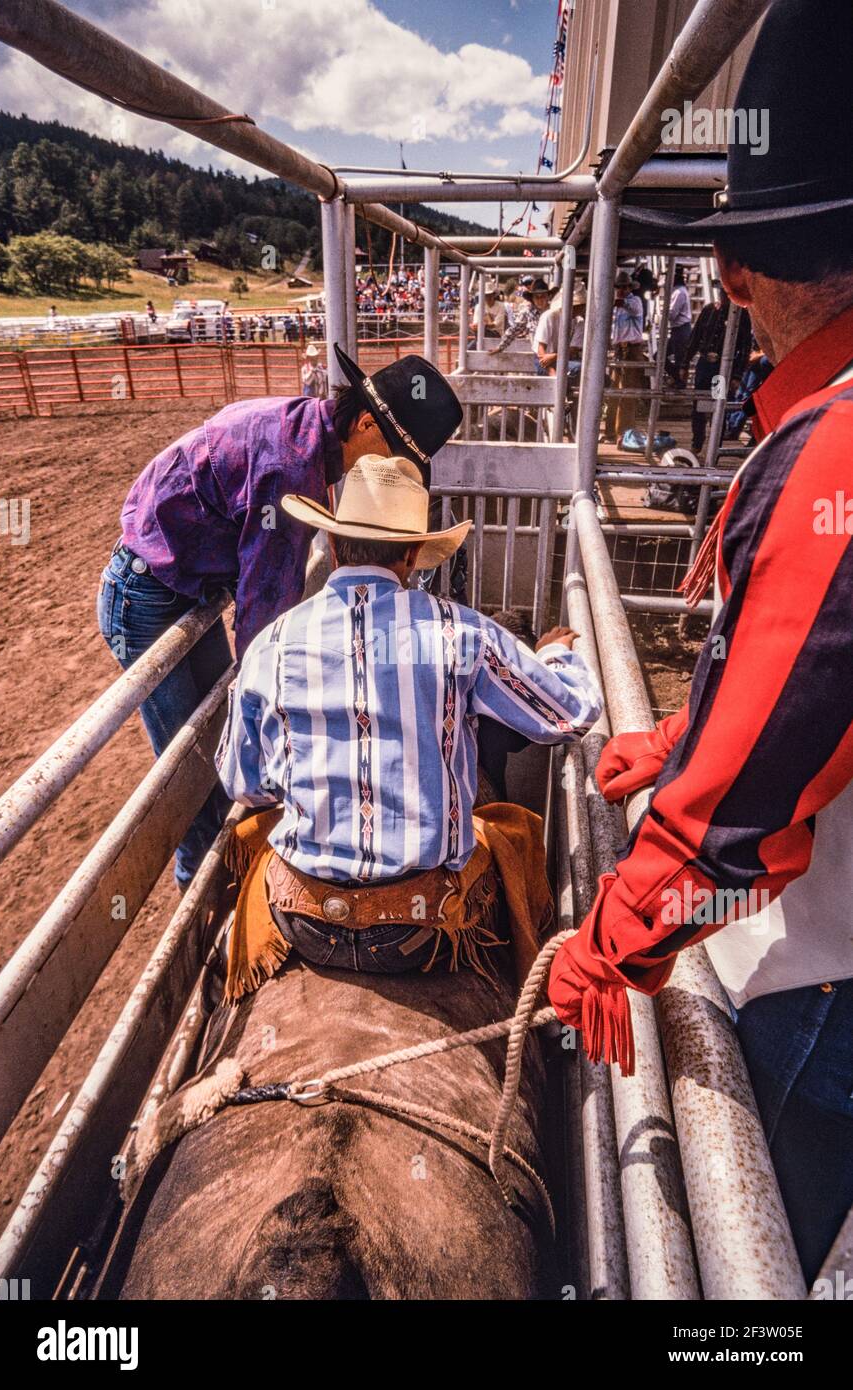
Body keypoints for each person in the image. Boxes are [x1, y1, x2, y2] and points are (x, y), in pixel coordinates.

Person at [549, 0, 853, 1285]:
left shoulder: (835, 448)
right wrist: (685, 728)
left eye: (752, 247)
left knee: (754, 1238)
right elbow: (815, 683)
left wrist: (615, 932)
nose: (724, 278)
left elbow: (741, 818)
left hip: (832, 971)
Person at [216, 453, 603, 989]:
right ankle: (539, 1000)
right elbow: (571, 716)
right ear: (417, 555)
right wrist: (555, 658)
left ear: (331, 545)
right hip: (414, 930)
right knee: (517, 834)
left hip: (304, 919)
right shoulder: (459, 633)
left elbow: (245, 784)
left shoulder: (271, 644)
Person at [97, 346, 462, 890]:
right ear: (365, 423)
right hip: (149, 592)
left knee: (217, 733)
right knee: (191, 759)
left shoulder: (302, 433)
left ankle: (215, 874)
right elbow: (266, 611)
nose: (393, 472)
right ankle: (200, 890)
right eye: (395, 454)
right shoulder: (291, 471)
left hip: (168, 577)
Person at [684, 286, 752, 452]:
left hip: (721, 367)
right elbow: (696, 337)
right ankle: (697, 442)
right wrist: (684, 363)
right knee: (699, 405)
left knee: (718, 405)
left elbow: (744, 346)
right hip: (706, 364)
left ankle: (715, 445)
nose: (724, 297)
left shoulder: (740, 315)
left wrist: (736, 374)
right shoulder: (709, 310)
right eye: (723, 293)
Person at [605, 269, 646, 444]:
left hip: (632, 349)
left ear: (630, 287)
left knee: (628, 393)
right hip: (619, 350)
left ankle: (624, 433)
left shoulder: (635, 301)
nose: (621, 289)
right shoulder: (616, 306)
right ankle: (611, 433)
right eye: (618, 287)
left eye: (624, 287)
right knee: (614, 392)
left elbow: (633, 309)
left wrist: (619, 302)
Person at [491, 277, 551, 359]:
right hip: (540, 356)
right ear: (532, 298)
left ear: (548, 297)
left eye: (543, 296)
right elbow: (515, 330)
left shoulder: (555, 311)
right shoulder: (527, 312)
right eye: (537, 297)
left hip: (556, 354)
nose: (540, 300)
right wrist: (500, 347)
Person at [665, 265, 693, 386]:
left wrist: (663, 312)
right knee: (659, 356)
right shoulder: (678, 291)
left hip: (681, 329)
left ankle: (679, 383)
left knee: (679, 360)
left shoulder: (679, 292)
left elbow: (672, 314)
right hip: (678, 330)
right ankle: (676, 377)